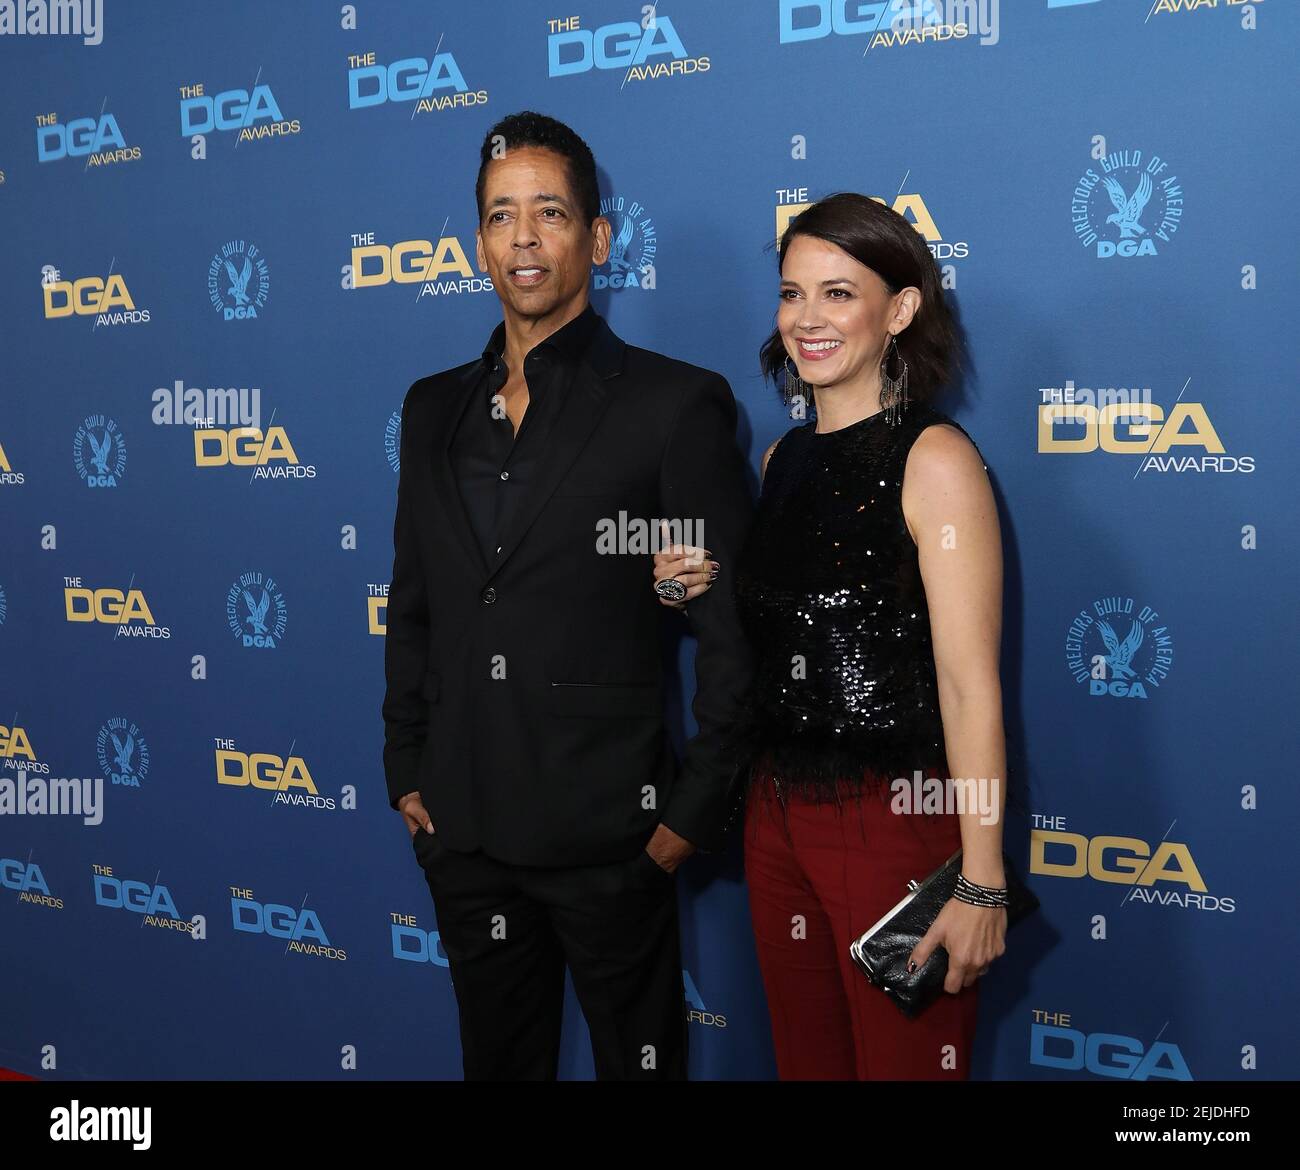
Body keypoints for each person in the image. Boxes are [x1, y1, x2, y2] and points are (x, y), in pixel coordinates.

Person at [382, 110, 754, 1080]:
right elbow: (414, 601)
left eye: (549, 213)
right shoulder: (431, 410)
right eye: (502, 216)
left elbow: (729, 631)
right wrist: (405, 769)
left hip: (611, 837)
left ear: (596, 237)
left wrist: (685, 820)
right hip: (462, 831)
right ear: (477, 242)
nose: (524, 238)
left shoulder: (672, 406)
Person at [653, 192, 1008, 1080]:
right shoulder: (782, 460)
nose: (807, 318)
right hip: (774, 819)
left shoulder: (937, 461)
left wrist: (983, 876)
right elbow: (790, 622)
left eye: (839, 293)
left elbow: (970, 687)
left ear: (901, 308)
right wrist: (696, 584)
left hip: (896, 821)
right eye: (792, 292)